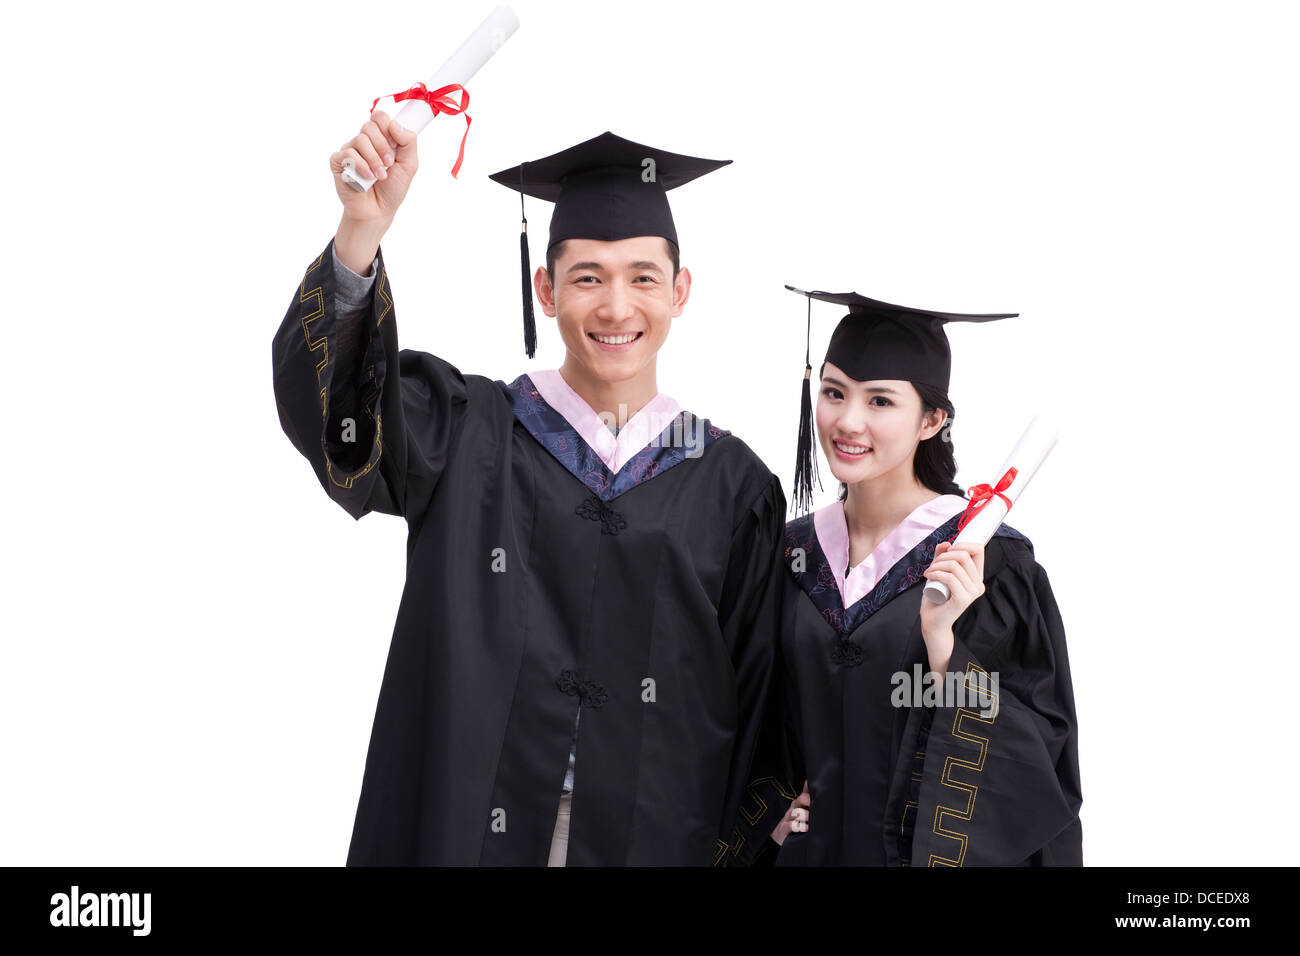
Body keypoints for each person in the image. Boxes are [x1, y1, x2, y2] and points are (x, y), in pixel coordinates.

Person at [269, 113, 786, 866]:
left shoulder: (735, 489)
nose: (615, 307)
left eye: (643, 277)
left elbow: (762, 699)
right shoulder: (468, 430)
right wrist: (359, 237)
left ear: (681, 292)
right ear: (545, 290)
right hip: (470, 830)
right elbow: (337, 415)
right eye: (587, 278)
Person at [738, 286, 1082, 866]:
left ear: (932, 419)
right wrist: (763, 813)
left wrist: (946, 650)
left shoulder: (988, 564)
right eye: (833, 393)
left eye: (880, 402)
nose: (848, 421)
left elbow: (1040, 758)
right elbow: (739, 706)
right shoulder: (787, 553)